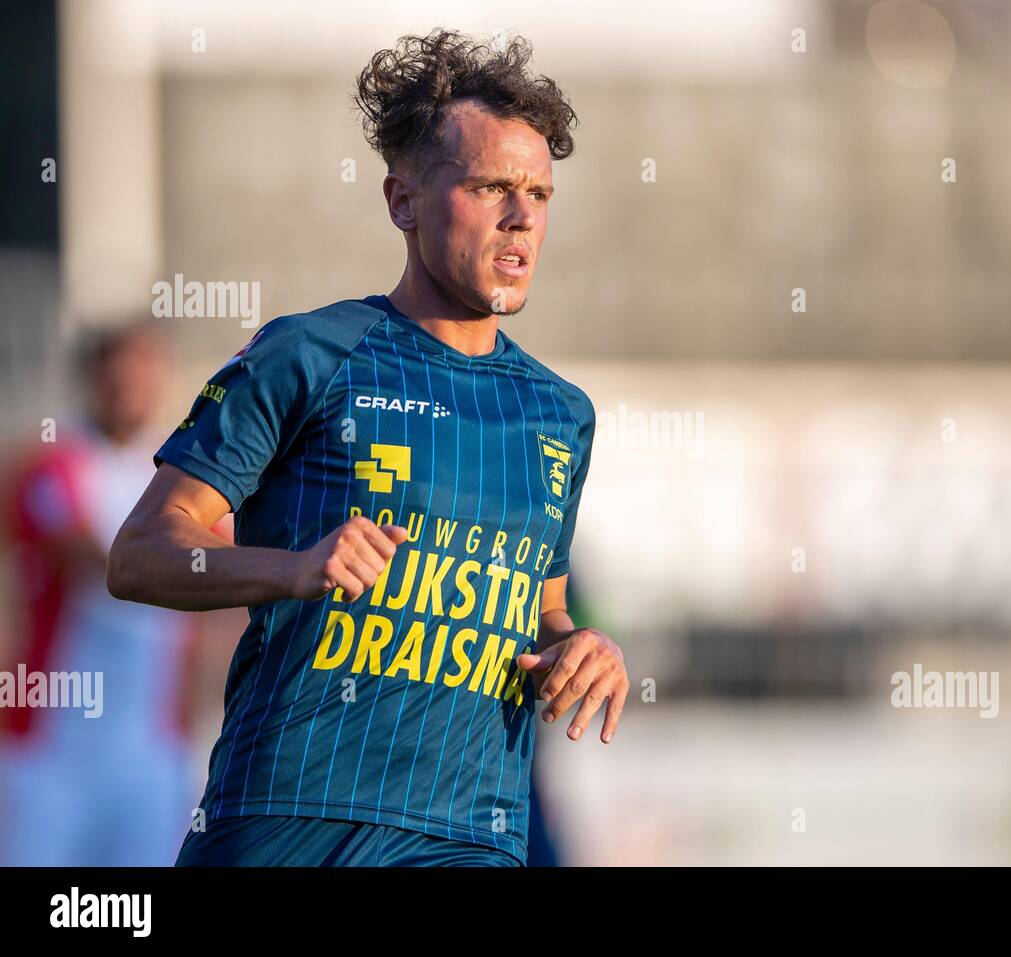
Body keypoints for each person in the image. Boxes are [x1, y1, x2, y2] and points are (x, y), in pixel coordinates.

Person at [107, 28, 628, 867]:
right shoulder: (309, 355)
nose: (522, 215)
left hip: (469, 833)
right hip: (286, 817)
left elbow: (543, 608)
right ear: (403, 201)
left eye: (539, 192)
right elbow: (139, 554)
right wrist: (295, 568)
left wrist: (577, 648)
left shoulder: (560, 412)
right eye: (493, 185)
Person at [2, 323, 195, 865]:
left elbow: (221, 575)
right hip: (53, 747)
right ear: (93, 379)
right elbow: (100, 566)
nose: (132, 390)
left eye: (144, 377)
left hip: (151, 748)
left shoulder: (179, 475)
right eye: (119, 378)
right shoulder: (51, 462)